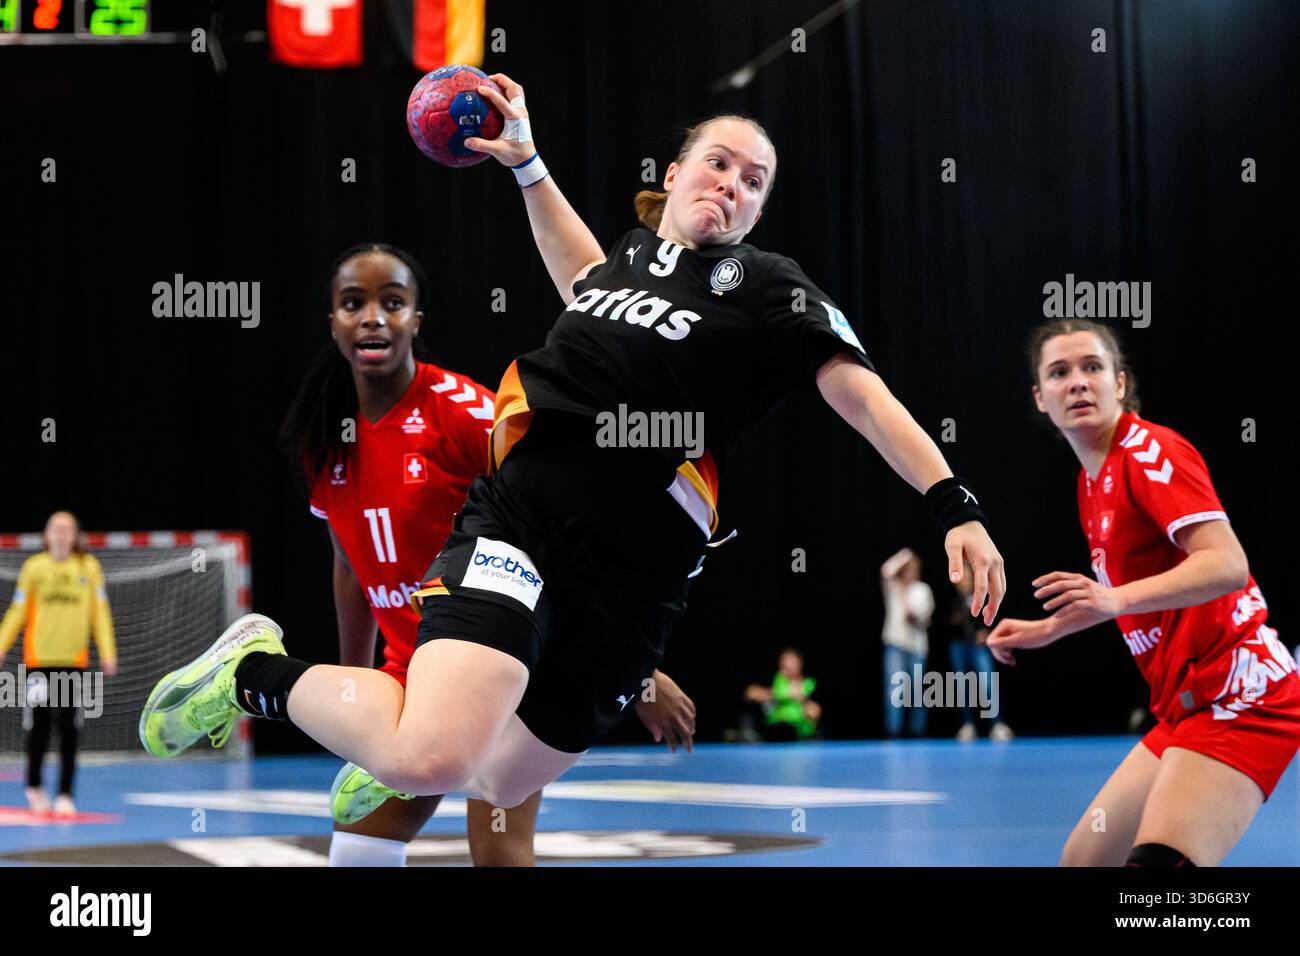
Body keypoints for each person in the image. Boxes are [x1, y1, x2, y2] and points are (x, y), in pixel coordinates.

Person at [140, 74, 1005, 825]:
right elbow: (586, 276)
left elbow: (863, 396)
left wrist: (953, 505)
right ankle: (254, 672)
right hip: (524, 523)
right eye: (718, 162)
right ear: (672, 176)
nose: (733, 185)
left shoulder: (767, 289)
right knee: (433, 758)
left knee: (494, 778)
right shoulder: (627, 261)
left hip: (637, 593)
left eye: (755, 182)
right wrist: (525, 163)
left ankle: (382, 740)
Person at [278, 242, 698, 866]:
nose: (373, 318)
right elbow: (350, 561)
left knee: (499, 850)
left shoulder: (461, 412)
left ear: (416, 320)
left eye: (393, 303)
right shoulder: (325, 438)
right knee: (360, 848)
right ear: (332, 321)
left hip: (500, 662)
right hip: (409, 677)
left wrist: (632, 670)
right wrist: (352, 687)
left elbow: (554, 519)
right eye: (353, 304)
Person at [988, 318, 1300, 867]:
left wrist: (1114, 601)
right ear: (1040, 398)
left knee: (1156, 877)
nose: (1078, 382)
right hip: (1181, 704)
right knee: (1086, 860)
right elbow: (1124, 591)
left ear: (1121, 383)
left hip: (1242, 694)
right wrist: (1050, 628)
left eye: (1092, 368)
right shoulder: (1091, 481)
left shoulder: (1150, 451)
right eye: (1059, 373)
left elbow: (1227, 565)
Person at [0, 511, 117, 816]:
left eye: (68, 529)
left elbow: (99, 613)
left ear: (76, 535)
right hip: (39, 663)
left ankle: (65, 794)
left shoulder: (88, 568)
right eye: (56, 528)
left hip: (73, 665)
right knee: (38, 727)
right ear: (46, 535)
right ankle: (34, 785)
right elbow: (18, 610)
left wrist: (108, 652)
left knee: (69, 729)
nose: (62, 534)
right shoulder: (34, 568)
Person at [947, 573, 1013, 741]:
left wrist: (986, 633)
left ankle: (997, 724)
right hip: (958, 645)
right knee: (961, 685)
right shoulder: (952, 601)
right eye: (962, 581)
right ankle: (968, 725)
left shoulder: (982, 597)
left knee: (987, 682)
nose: (965, 583)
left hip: (979, 646)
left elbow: (993, 619)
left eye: (968, 579)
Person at [880, 547, 934, 738]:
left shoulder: (923, 590)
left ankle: (918, 731)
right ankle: (893, 732)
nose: (909, 573)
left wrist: (915, 617)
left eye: (912, 568)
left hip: (917, 647)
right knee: (895, 690)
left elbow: (925, 618)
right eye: (906, 569)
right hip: (895, 644)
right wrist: (905, 554)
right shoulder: (893, 587)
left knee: (918, 691)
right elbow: (886, 570)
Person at [744, 647, 821, 741]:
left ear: (800, 664)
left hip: (797, 731)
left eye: (791, 663)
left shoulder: (809, 684)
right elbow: (750, 693)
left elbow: (815, 711)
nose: (787, 667)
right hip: (773, 729)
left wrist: (800, 699)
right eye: (784, 663)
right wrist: (775, 694)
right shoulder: (775, 680)